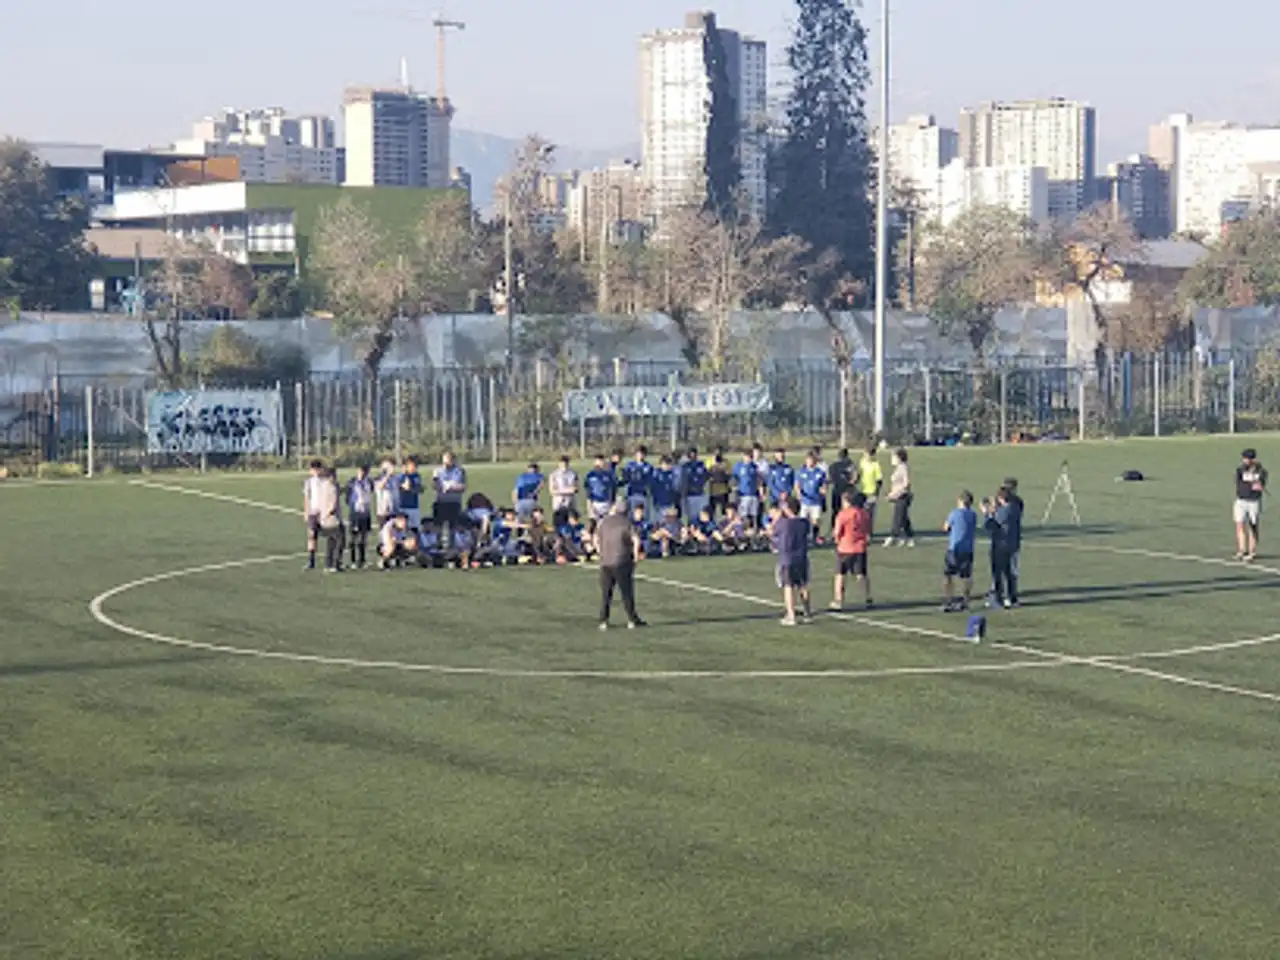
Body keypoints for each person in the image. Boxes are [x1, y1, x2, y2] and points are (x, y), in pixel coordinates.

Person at [596, 502, 646, 631]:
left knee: (606, 593)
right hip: (622, 561)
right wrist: (635, 555)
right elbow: (636, 539)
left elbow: (595, 538)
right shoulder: (626, 523)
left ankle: (603, 620)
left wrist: (600, 552)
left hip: (605, 562)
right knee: (626, 592)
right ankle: (631, 619)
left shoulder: (604, 522)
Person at [771, 495, 812, 626]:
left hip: (787, 558)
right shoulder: (804, 522)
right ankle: (807, 612)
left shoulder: (783, 523)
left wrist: (777, 517)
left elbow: (773, 531)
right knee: (803, 585)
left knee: (788, 586)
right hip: (802, 557)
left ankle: (791, 615)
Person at [831, 491, 874, 610]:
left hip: (845, 547)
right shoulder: (864, 514)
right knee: (861, 574)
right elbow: (867, 530)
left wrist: (836, 539)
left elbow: (837, 532)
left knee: (840, 575)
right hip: (860, 547)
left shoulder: (843, 514)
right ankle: (867, 597)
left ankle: (838, 600)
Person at [983, 487, 1020, 608]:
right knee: (1009, 573)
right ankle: (1011, 597)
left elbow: (991, 526)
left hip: (1000, 545)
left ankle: (997, 599)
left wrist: (987, 513)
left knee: (998, 573)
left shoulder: (1004, 511)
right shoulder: (1015, 507)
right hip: (1012, 544)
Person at [943, 491, 978, 612]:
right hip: (968, 549)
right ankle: (965, 601)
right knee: (966, 577)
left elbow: (946, 527)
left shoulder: (955, 513)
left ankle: (949, 601)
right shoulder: (973, 515)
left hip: (954, 549)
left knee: (949, 575)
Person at [1234, 448, 1268, 561]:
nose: (1245, 460)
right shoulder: (1240, 469)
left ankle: (1252, 551)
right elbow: (1239, 483)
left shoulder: (1261, 471)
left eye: (1248, 458)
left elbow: (1261, 484)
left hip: (1253, 501)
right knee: (1240, 524)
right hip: (1241, 500)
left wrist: (1259, 484)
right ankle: (1241, 550)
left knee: (1253, 526)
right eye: (1244, 458)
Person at [432, 450, 467, 545]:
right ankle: (438, 545)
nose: (446, 463)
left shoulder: (460, 471)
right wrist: (442, 486)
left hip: (454, 503)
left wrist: (451, 487)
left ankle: (452, 547)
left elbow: (463, 487)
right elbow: (435, 486)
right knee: (438, 527)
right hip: (440, 502)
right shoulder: (437, 471)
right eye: (444, 460)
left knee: (453, 527)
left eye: (448, 460)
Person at [344, 464, 375, 569]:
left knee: (364, 537)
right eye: (362, 471)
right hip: (355, 512)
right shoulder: (352, 482)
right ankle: (352, 560)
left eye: (365, 472)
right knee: (354, 537)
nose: (363, 474)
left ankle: (362, 560)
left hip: (366, 512)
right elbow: (347, 497)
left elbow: (371, 491)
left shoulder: (369, 482)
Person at [884, 448, 915, 548]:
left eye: (893, 457)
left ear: (899, 458)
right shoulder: (898, 468)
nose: (891, 459)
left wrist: (894, 494)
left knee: (897, 518)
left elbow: (906, 484)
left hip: (902, 496)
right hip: (897, 496)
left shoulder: (903, 468)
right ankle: (909, 537)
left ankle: (893, 536)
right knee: (903, 518)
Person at [796, 450, 828, 544]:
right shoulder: (801, 472)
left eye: (812, 460)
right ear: (805, 460)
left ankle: (814, 537)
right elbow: (797, 484)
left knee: (815, 520)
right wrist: (799, 493)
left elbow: (824, 484)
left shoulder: (820, 472)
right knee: (803, 521)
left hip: (816, 500)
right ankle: (803, 538)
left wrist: (824, 489)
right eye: (808, 460)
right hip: (805, 500)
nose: (810, 462)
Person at [302, 459, 327, 571]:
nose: (316, 471)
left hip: (324, 512)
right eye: (313, 469)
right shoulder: (309, 482)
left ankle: (330, 559)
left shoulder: (325, 481)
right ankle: (311, 560)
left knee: (329, 535)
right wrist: (306, 511)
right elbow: (307, 497)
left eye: (318, 469)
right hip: (313, 512)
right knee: (312, 536)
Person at [732, 450, 762, 529]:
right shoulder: (738, 466)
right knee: (743, 515)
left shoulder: (754, 466)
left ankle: (754, 531)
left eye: (750, 457)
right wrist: (735, 489)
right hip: (743, 495)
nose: (748, 459)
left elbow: (758, 480)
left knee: (754, 515)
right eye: (747, 456)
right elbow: (734, 478)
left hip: (753, 494)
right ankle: (742, 532)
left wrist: (760, 491)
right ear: (743, 456)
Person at [858, 443, 884, 534]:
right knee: (862, 513)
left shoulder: (876, 465)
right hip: (863, 492)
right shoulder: (862, 462)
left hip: (872, 492)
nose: (865, 456)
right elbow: (860, 473)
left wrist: (876, 493)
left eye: (866, 454)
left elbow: (879, 480)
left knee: (869, 513)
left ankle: (868, 532)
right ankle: (863, 530)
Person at [623, 445, 654, 518]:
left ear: (645, 455)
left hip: (643, 494)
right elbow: (626, 479)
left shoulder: (648, 466)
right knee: (631, 516)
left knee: (644, 516)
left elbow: (650, 481)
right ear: (635, 454)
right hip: (632, 494)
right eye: (638, 453)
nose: (640, 455)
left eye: (642, 454)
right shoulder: (629, 465)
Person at [549, 455, 580, 528]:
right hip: (559, 501)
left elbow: (576, 488)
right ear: (559, 464)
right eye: (562, 463)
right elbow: (552, 491)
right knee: (558, 523)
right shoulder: (554, 474)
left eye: (566, 463)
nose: (564, 465)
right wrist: (567, 490)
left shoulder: (573, 474)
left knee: (572, 522)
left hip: (571, 500)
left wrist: (571, 490)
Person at [584, 454, 618, 520]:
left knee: (606, 525)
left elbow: (614, 491)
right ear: (594, 462)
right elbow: (588, 493)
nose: (599, 463)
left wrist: (613, 506)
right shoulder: (590, 475)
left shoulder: (609, 475)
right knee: (593, 526)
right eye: (597, 461)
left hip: (606, 503)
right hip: (595, 504)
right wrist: (590, 508)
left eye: (601, 461)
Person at [396, 457, 424, 532]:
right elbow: (403, 487)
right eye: (413, 465)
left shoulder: (417, 476)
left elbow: (420, 489)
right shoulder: (401, 476)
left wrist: (412, 489)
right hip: (404, 506)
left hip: (415, 506)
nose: (414, 468)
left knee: (415, 528)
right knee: (404, 528)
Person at [681, 447, 710, 522]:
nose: (693, 456)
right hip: (690, 495)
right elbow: (683, 481)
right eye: (691, 455)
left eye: (694, 454)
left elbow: (706, 476)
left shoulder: (701, 465)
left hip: (700, 494)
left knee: (702, 516)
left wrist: (701, 484)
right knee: (692, 517)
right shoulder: (685, 466)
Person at [374, 459, 397, 531]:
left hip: (393, 510)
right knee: (384, 533)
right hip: (382, 512)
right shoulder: (378, 478)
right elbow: (380, 486)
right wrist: (387, 475)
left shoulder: (394, 479)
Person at [707, 452, 731, 519]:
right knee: (712, 512)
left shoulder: (724, 465)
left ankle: (724, 524)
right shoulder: (711, 466)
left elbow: (728, 477)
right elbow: (708, 476)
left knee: (724, 512)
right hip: (714, 492)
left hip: (722, 492)